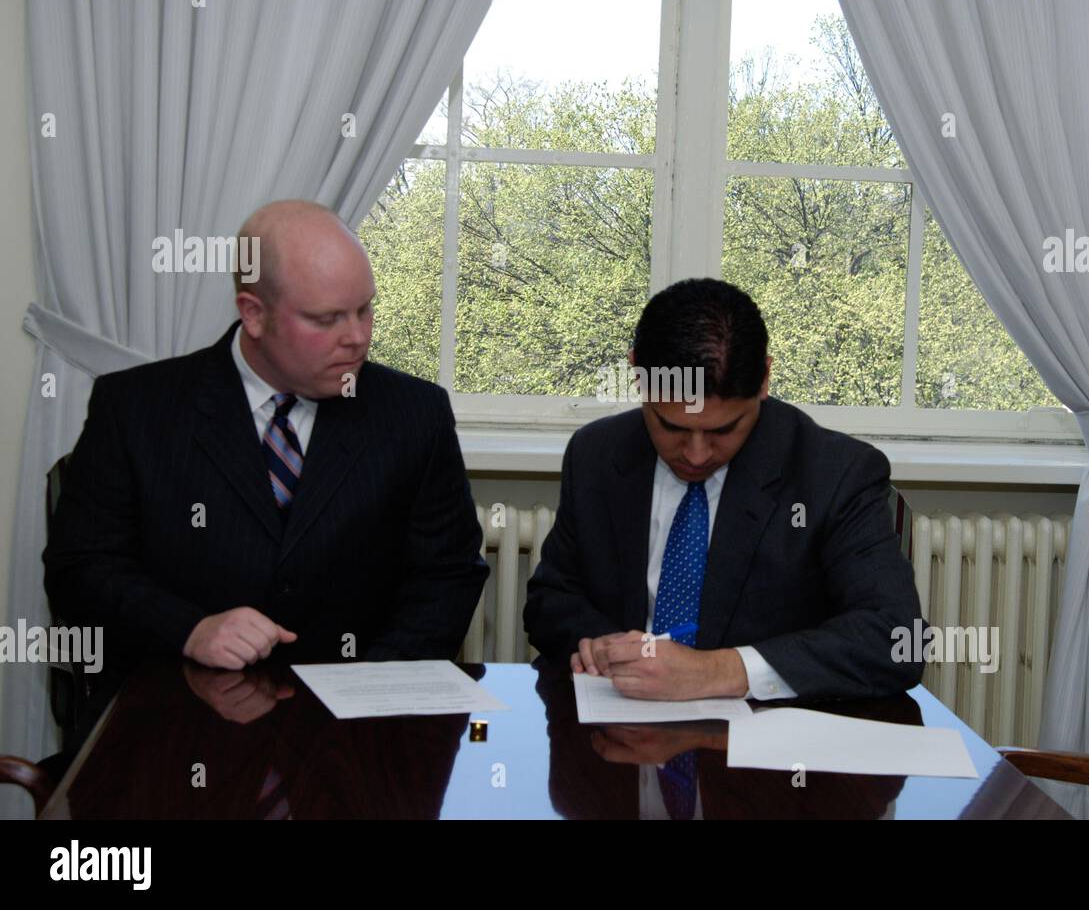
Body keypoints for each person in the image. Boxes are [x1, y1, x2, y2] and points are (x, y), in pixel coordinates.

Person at [44, 200, 487, 676]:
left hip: (361, 720)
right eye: (327, 318)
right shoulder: (136, 408)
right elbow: (80, 570)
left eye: (364, 309)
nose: (357, 337)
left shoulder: (414, 414)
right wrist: (190, 629)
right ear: (253, 314)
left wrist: (372, 686)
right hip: (178, 709)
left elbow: (448, 574)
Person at [524, 278, 924, 702]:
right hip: (619, 728)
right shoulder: (596, 455)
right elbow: (551, 598)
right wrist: (606, 646)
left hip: (771, 747)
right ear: (638, 374)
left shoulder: (835, 473)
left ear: (765, 379)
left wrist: (718, 670)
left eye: (724, 429)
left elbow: (896, 638)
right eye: (672, 426)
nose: (696, 455)